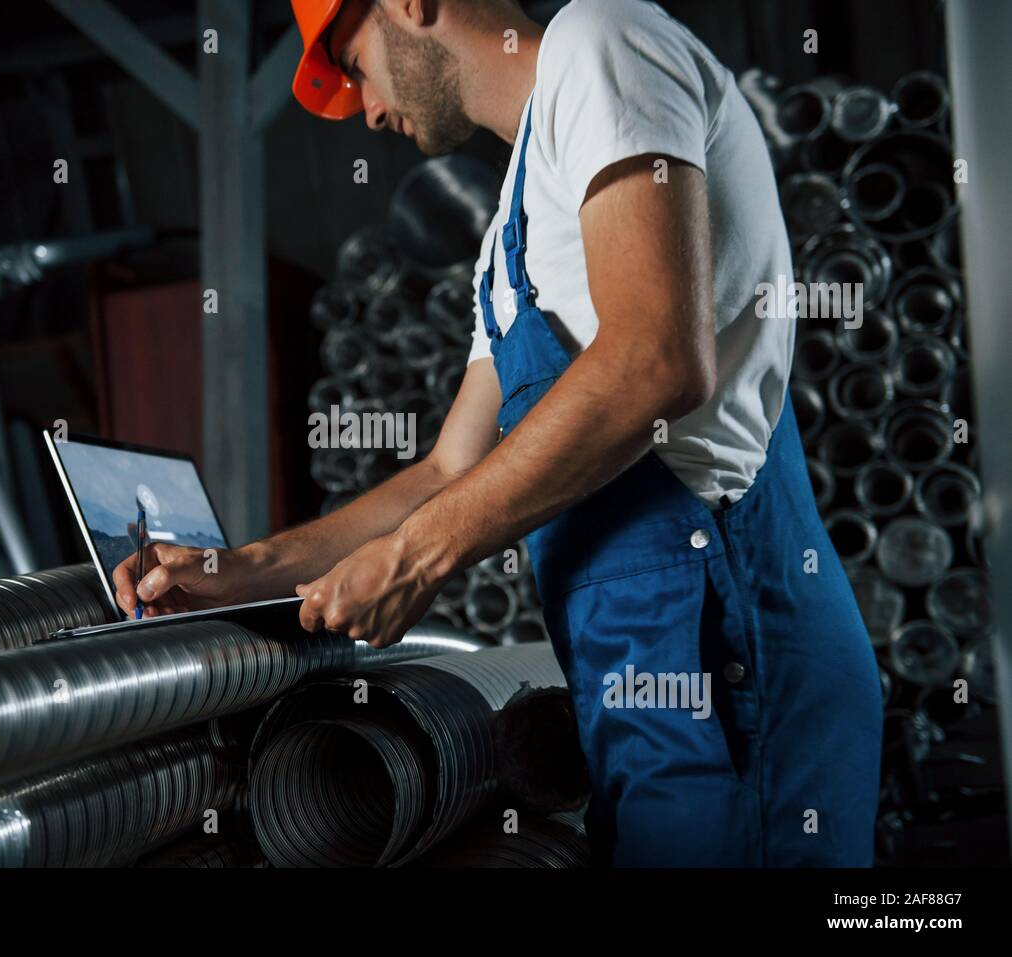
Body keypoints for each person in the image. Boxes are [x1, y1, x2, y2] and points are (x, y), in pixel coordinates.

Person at [113, 0, 881, 866]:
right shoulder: (504, 245)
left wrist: (415, 557)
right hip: (636, 673)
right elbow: (448, 467)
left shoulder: (603, 41)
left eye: (353, 62)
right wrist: (236, 570)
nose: (365, 110)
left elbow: (656, 357)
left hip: (728, 641)